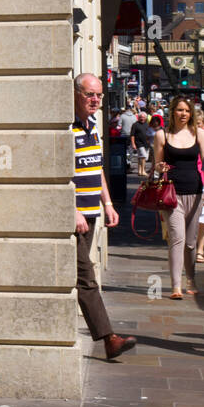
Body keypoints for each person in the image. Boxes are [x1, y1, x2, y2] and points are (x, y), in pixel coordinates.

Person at [73, 74, 137, 360]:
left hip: (91, 214)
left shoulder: (93, 126)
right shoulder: (66, 128)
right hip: (75, 218)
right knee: (85, 277)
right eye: (89, 95)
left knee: (79, 276)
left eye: (98, 95)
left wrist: (108, 203)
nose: (95, 100)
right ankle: (109, 338)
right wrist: (70, 208)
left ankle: (106, 337)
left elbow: (96, 168)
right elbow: (57, 173)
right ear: (75, 94)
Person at [150, 94, 204, 299]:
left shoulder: (199, 134)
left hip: (196, 192)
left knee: (191, 242)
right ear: (172, 111)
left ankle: (191, 279)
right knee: (177, 238)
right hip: (171, 194)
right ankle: (176, 286)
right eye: (180, 110)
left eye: (187, 110)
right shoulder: (161, 135)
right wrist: (160, 166)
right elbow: (156, 164)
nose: (183, 114)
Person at [132, 111, 153, 177]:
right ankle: (143, 171)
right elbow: (132, 135)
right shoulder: (135, 124)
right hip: (138, 143)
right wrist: (133, 144)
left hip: (146, 143)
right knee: (143, 156)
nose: (142, 118)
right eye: (141, 117)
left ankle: (139, 171)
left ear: (146, 118)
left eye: (143, 117)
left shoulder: (147, 124)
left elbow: (150, 133)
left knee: (141, 157)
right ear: (138, 117)